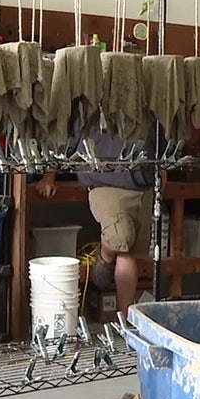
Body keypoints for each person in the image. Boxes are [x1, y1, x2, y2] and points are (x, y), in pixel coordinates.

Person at [34, 123, 160, 321]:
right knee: (121, 238)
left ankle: (126, 322)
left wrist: (163, 170)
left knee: (130, 251)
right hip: (104, 180)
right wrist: (49, 175)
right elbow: (64, 132)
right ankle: (105, 255)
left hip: (143, 182)